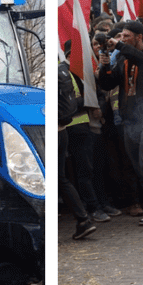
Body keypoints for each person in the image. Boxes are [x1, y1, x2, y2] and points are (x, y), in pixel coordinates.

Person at [96, 20, 143, 229]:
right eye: (120, 36)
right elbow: (107, 84)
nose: (121, 40)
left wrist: (119, 46)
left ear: (139, 37)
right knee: (139, 168)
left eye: (126, 36)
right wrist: (104, 66)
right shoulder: (122, 58)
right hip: (130, 120)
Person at [59, 58, 99, 239]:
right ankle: (83, 220)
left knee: (59, 179)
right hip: (64, 130)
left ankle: (83, 218)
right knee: (61, 179)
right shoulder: (63, 71)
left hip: (57, 130)